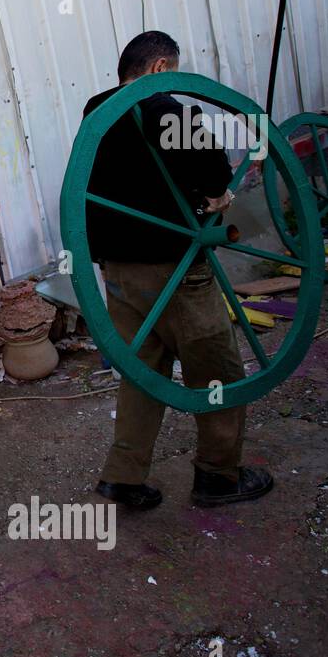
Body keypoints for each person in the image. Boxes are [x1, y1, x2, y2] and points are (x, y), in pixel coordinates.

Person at [84, 30, 273, 508]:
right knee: (217, 372)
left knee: (141, 370)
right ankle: (217, 476)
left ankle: (123, 477)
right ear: (161, 69)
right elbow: (210, 167)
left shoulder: (95, 110)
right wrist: (216, 193)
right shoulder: (162, 107)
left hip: (118, 271)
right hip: (174, 269)